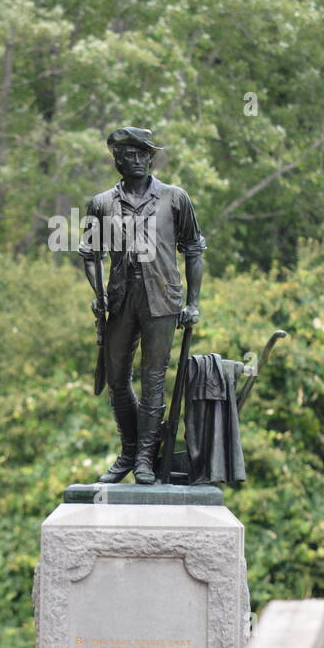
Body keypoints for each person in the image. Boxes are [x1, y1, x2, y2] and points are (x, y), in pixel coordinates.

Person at [79, 127, 205, 485]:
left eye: (138, 154)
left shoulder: (174, 198)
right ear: (115, 160)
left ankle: (146, 458)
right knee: (118, 380)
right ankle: (129, 450)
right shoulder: (102, 203)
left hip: (162, 299)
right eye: (123, 155)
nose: (131, 160)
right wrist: (98, 291)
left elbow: (194, 250)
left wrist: (193, 303)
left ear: (150, 157)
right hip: (120, 300)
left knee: (153, 381)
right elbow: (90, 254)